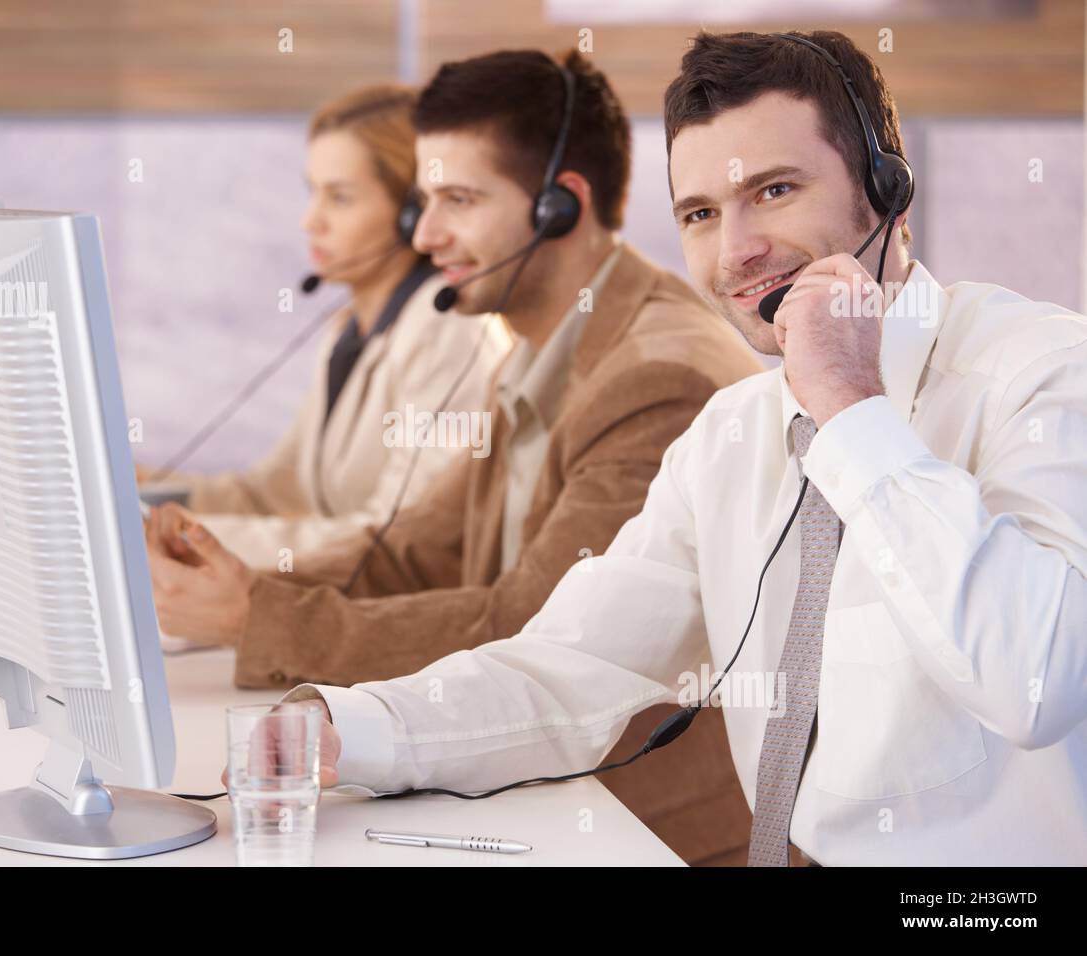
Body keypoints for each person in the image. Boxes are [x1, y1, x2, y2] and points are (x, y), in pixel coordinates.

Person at [257, 31, 1087, 866]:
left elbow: (1037, 682)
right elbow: (568, 670)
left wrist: (852, 411)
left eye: (774, 190)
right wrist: (342, 726)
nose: (734, 252)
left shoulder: (1043, 374)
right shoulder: (730, 436)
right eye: (700, 214)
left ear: (889, 191)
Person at [149, 49, 763, 865]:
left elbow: (529, 629)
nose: (425, 233)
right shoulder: (538, 346)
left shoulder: (657, 376)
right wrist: (245, 591)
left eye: (457, 201)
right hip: (542, 794)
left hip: (643, 828)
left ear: (557, 207)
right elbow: (415, 552)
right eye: (424, 201)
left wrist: (256, 619)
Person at [144, 84, 507, 569]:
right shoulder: (349, 330)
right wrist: (142, 496)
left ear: (412, 213)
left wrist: (181, 540)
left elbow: (394, 538)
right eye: (312, 193)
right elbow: (274, 492)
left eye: (339, 197)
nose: (310, 221)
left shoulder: (451, 332)